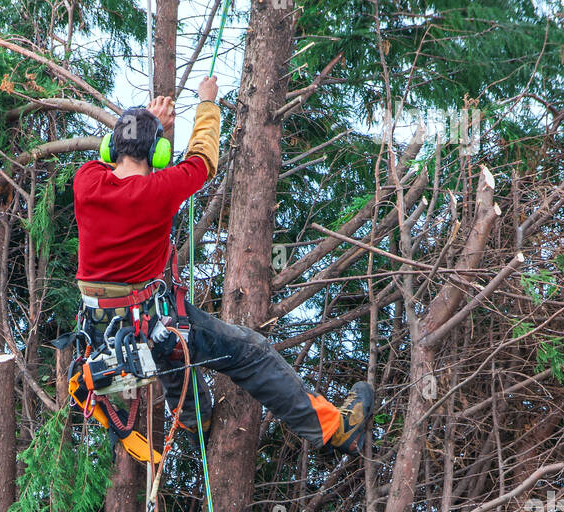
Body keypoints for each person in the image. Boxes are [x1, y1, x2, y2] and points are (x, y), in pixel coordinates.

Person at [72, 77, 373, 456]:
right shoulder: (161, 189)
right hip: (145, 320)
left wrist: (146, 122)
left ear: (110, 148)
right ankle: (331, 430)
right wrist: (207, 104)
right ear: (160, 154)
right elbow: (203, 159)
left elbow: (115, 161)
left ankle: (194, 421)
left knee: (173, 339)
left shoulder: (86, 181)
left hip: (104, 332)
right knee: (250, 351)